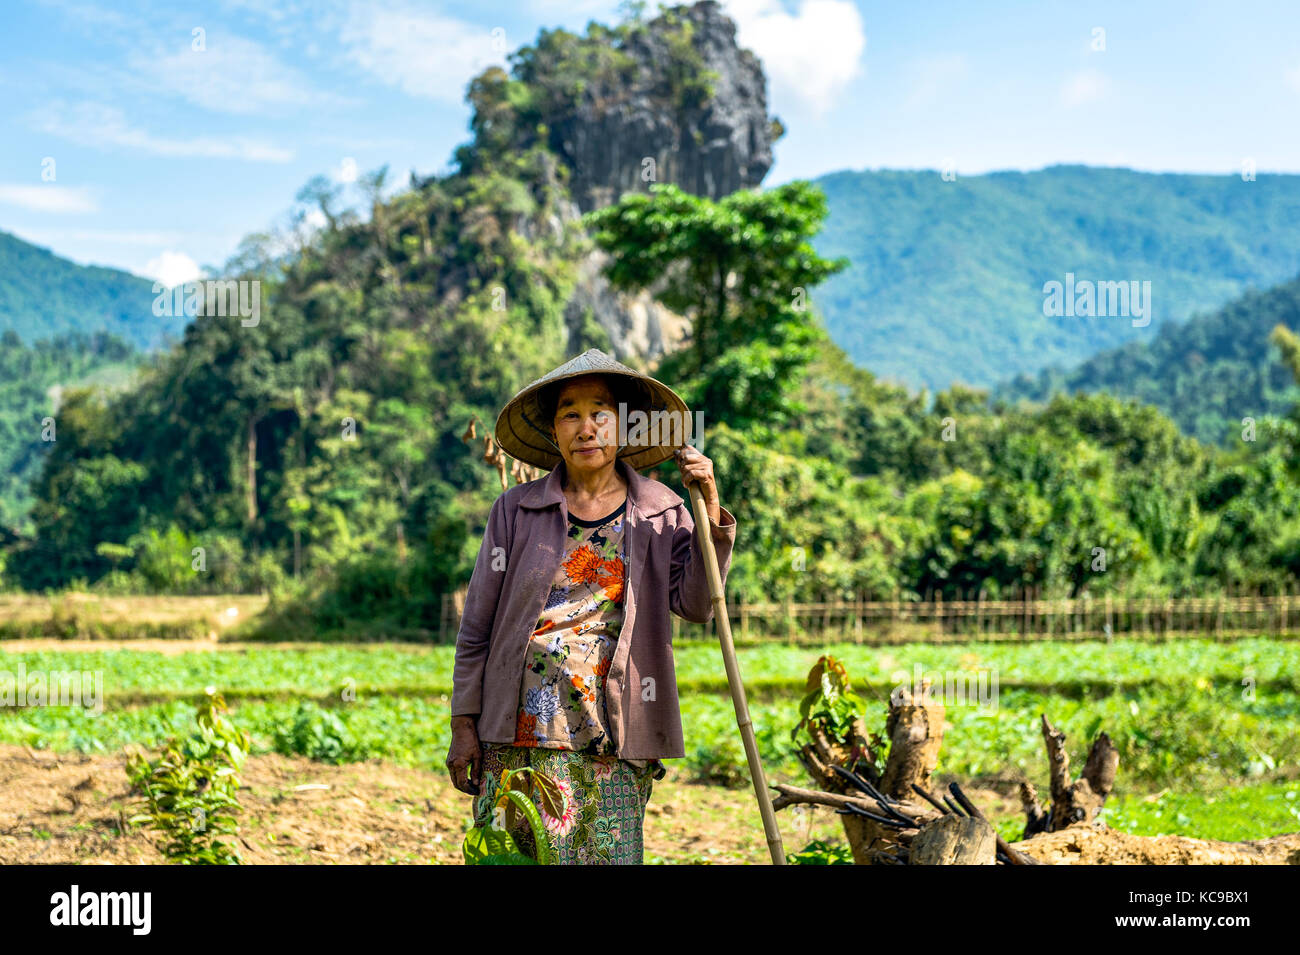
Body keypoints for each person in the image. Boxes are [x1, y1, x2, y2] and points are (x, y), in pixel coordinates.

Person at [446, 348, 736, 864]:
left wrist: (708, 501)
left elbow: (696, 603)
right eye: (570, 414)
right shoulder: (516, 509)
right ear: (553, 431)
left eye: (600, 412)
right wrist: (463, 725)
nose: (586, 428)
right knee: (520, 856)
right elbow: (477, 627)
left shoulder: (661, 510)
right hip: (520, 730)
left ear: (624, 426)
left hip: (616, 728)